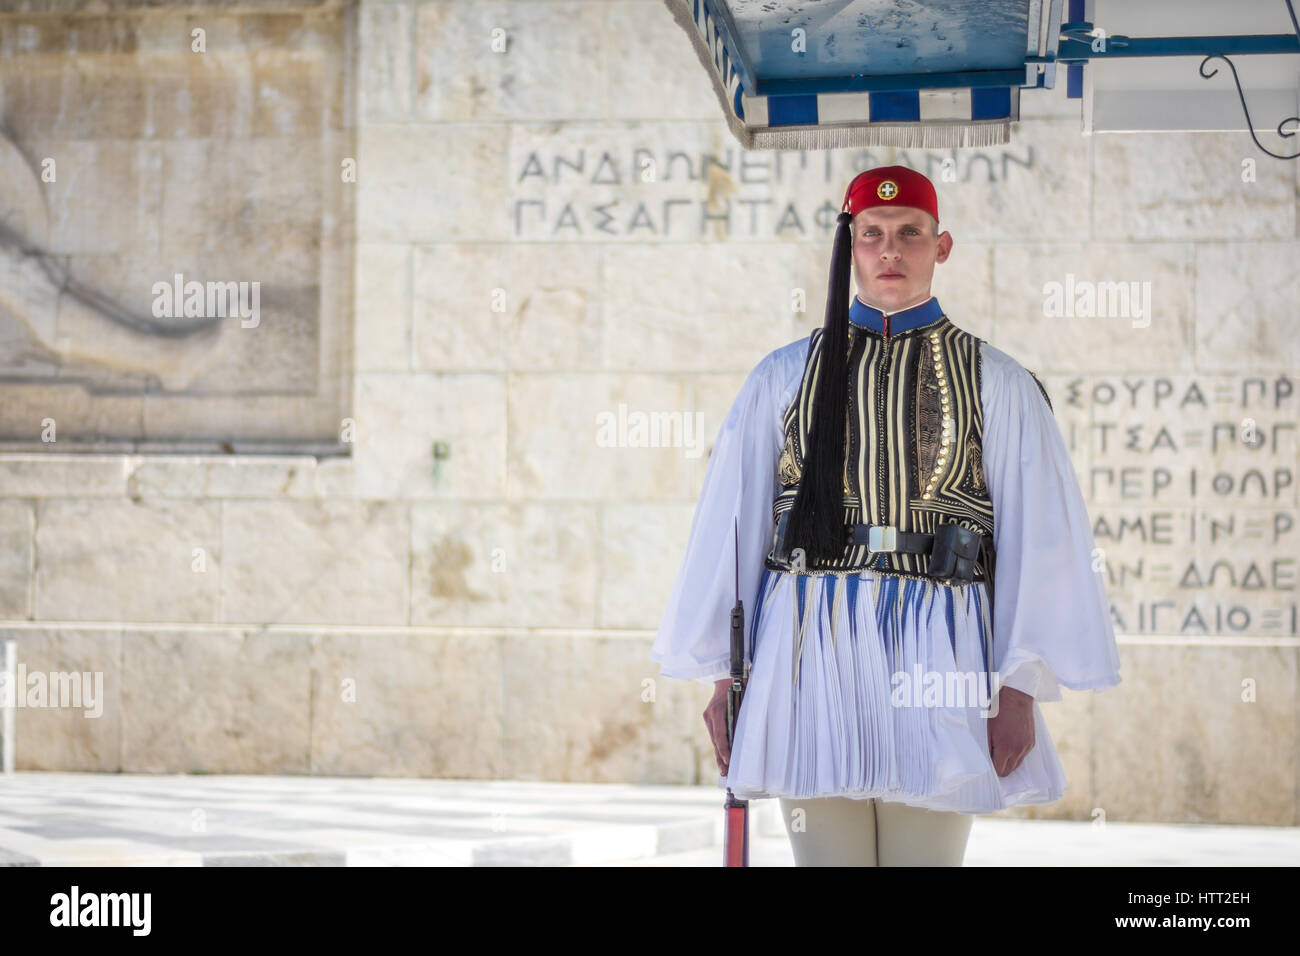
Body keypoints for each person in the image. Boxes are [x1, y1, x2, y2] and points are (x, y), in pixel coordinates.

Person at [650, 165, 1122, 866]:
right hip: (810, 644)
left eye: (911, 234)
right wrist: (724, 674)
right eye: (871, 235)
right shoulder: (783, 375)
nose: (890, 251)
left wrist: (1018, 686)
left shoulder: (999, 382)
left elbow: (1041, 539)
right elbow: (732, 528)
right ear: (851, 246)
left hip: (943, 647)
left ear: (943, 246)